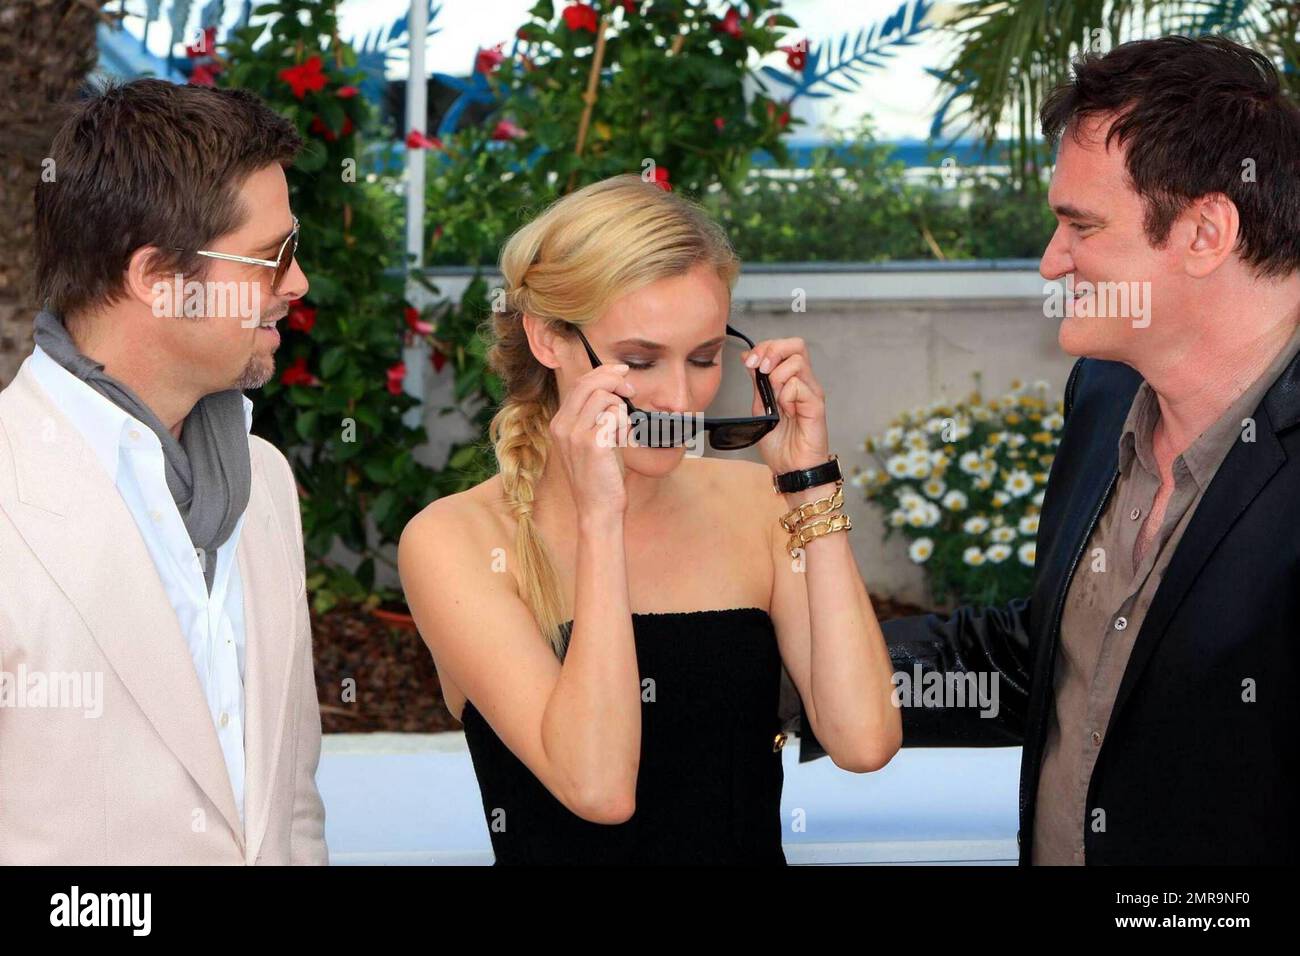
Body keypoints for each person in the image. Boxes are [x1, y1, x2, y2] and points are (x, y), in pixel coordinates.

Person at [801, 35, 1300, 865]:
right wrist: (787, 657)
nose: (1049, 261)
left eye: (1082, 226)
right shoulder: (1104, 396)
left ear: (1207, 230)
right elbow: (1050, 657)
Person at [399, 174, 901, 864]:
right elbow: (598, 787)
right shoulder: (455, 540)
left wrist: (809, 487)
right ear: (548, 337)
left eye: (703, 358)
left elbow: (865, 740)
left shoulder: (755, 505)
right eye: (639, 360)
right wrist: (601, 522)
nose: (678, 397)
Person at [0, 79, 327, 864]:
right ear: (156, 279)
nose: (297, 283)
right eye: (268, 256)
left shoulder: (265, 480)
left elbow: (293, 806)